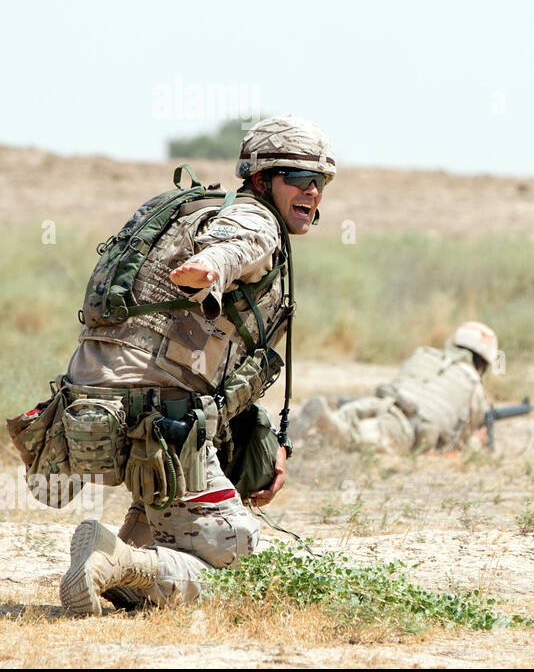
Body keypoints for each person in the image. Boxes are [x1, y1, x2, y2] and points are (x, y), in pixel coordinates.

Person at [39, 115, 336, 615]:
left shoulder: (189, 210)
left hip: (95, 396)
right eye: (299, 179)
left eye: (320, 181)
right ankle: (109, 557)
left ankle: (127, 560)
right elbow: (234, 243)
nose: (312, 192)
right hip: (159, 411)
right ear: (261, 179)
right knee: (246, 573)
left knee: (147, 589)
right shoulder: (254, 219)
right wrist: (212, 268)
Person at [297, 321, 497, 454]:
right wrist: (477, 442)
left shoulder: (425, 354)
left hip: (386, 401)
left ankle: (311, 429)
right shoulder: (473, 385)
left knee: (346, 418)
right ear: (482, 364)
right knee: (357, 438)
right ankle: (326, 425)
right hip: (410, 424)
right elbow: (459, 442)